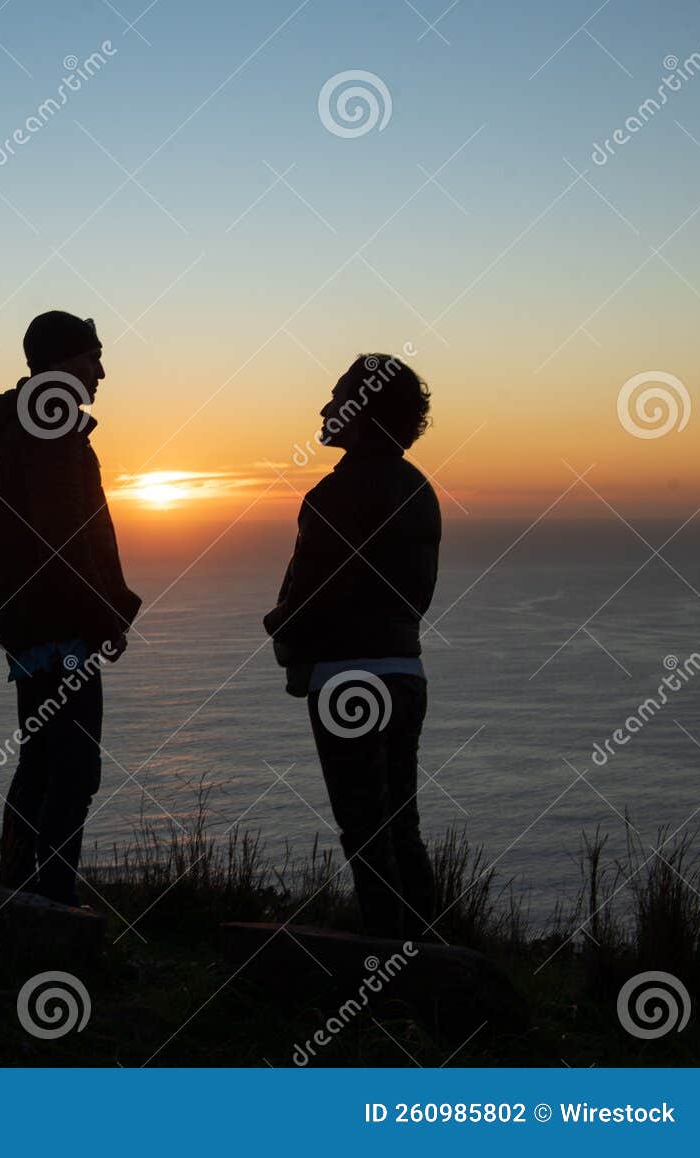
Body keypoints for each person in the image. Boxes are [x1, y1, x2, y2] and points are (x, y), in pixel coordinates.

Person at [0, 310, 141, 906]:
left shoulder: (9, 431)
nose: (104, 371)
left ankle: (15, 892)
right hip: (62, 626)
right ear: (63, 361)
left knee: (40, 761)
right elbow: (69, 542)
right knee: (73, 770)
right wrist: (105, 618)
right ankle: (52, 904)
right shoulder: (49, 436)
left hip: (26, 621)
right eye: (93, 358)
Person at [263, 353, 440, 940]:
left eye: (338, 396)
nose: (325, 406)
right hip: (404, 673)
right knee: (400, 826)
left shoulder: (332, 495)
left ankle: (383, 967)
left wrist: (280, 629)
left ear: (363, 410)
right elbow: (415, 595)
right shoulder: (419, 489)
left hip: (346, 681)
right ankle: (432, 955)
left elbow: (309, 594)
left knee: (365, 831)